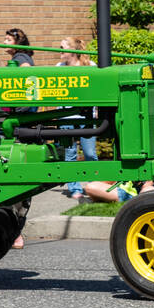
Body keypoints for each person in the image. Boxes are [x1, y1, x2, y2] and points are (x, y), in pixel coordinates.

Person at [57, 37, 97, 200]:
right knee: (70, 154)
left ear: (72, 51)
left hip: (86, 117)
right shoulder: (59, 68)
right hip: (66, 117)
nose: (59, 51)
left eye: (62, 48)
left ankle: (94, 186)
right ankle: (75, 189)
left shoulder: (90, 66)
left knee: (89, 153)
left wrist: (97, 112)